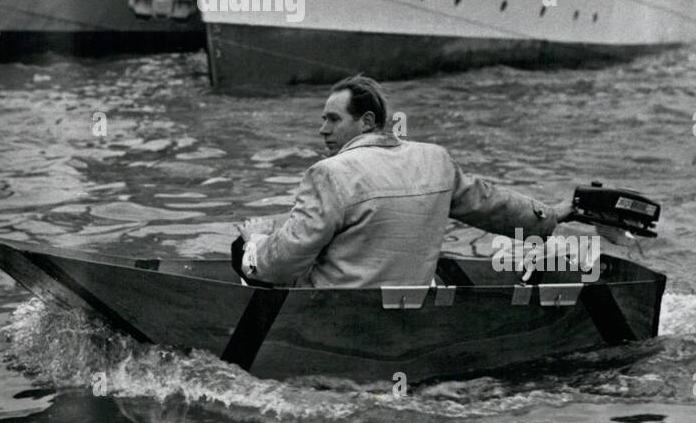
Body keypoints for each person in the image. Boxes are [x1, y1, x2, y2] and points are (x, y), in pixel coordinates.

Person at [233, 74, 574, 288]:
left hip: (340, 318)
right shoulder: (435, 159)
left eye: (333, 119)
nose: (322, 130)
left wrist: (255, 243)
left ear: (367, 121)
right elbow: (492, 205)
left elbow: (283, 262)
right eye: (323, 120)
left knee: (249, 260)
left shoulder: (328, 173)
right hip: (409, 312)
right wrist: (551, 215)